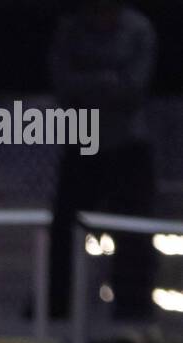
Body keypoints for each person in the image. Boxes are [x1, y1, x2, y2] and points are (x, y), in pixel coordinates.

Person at [48, 0, 157, 320]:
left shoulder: (139, 29)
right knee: (65, 230)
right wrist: (107, 81)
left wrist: (92, 84)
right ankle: (57, 309)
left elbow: (134, 88)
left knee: (134, 233)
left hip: (129, 145)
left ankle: (133, 310)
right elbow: (64, 85)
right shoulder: (70, 30)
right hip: (83, 142)